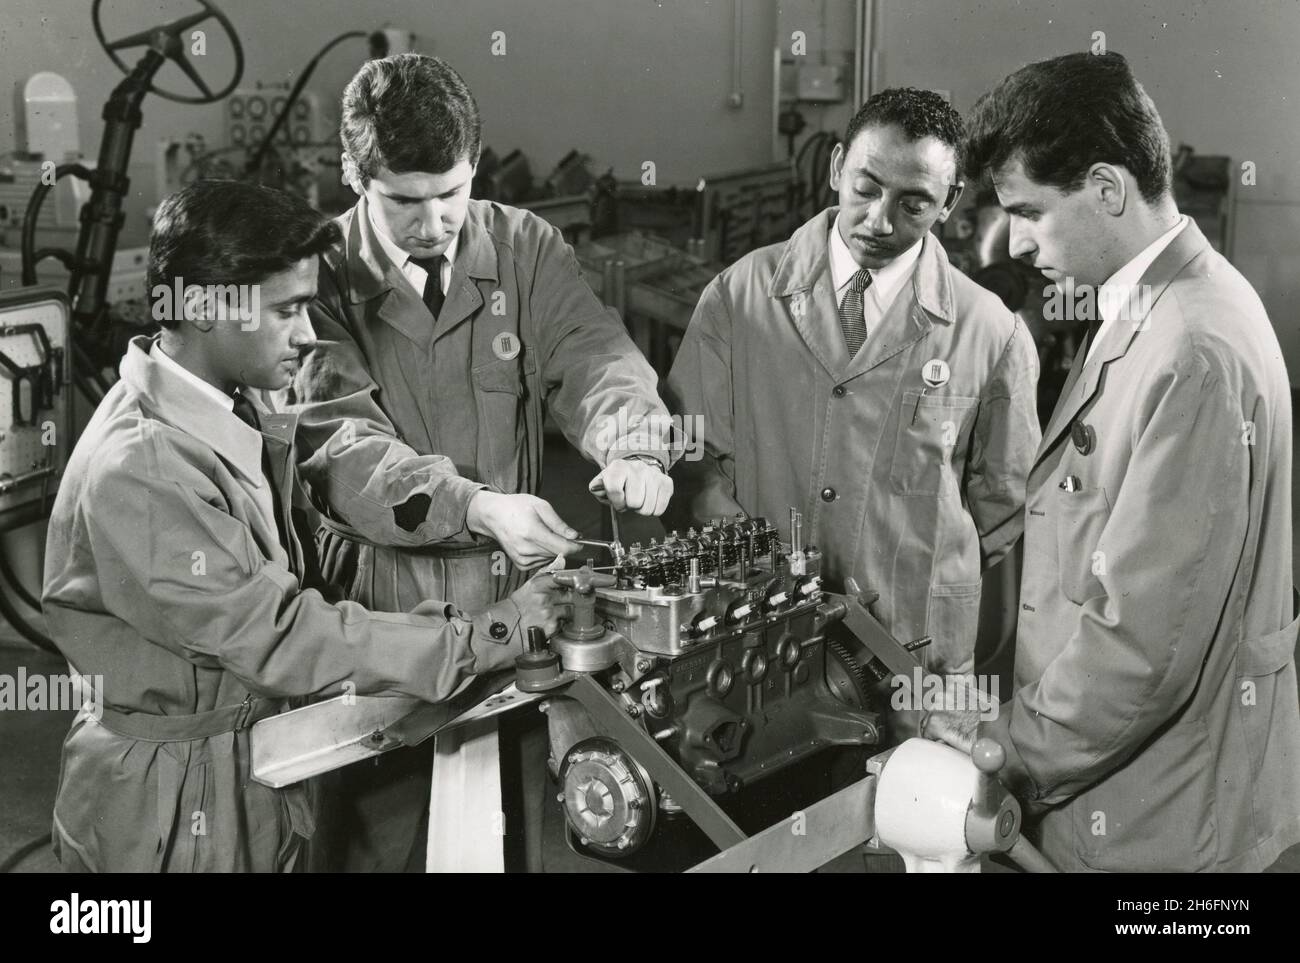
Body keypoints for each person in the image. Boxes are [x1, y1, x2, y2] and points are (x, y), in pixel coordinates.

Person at [41, 180, 561, 872]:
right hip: (167, 808)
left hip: (238, 762)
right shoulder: (144, 468)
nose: (309, 334)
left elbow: (295, 562)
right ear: (201, 308)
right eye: (286, 311)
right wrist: (489, 632)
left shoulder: (222, 409)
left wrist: (471, 526)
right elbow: (279, 636)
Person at [291, 54, 675, 870]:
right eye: (404, 201)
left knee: (499, 835)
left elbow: (595, 354)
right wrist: (477, 506)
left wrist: (632, 440)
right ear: (355, 177)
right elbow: (338, 447)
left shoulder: (524, 246)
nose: (434, 223)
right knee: (378, 841)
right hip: (383, 622)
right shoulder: (314, 274)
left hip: (513, 612)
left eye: (452, 192)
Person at [927, 51, 1300, 872]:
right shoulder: (1154, 306)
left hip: (1161, 822)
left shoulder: (1191, 348)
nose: (1016, 243)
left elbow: (1144, 647)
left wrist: (1008, 750)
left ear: (1105, 188)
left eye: (1028, 212)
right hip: (1130, 791)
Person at [665, 88, 1040, 678]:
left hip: (913, 648)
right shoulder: (738, 298)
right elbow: (688, 460)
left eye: (914, 203)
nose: (879, 219)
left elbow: (1004, 502)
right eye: (866, 187)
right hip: (761, 637)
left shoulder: (992, 333)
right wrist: (755, 564)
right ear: (838, 166)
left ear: (951, 202)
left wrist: (916, 566)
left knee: (916, 772)